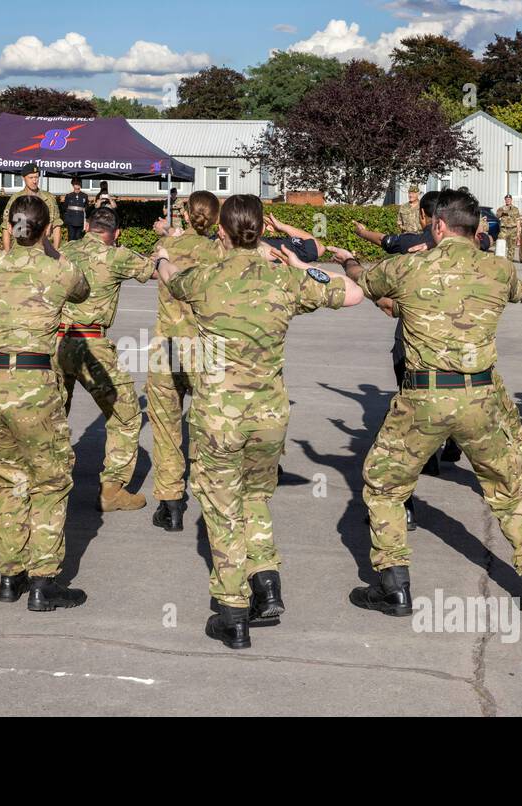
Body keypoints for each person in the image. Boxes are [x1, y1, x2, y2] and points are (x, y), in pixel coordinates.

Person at [338, 188, 522, 620]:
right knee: (509, 487)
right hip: (481, 395)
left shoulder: (409, 267)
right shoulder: (499, 270)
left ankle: (394, 585)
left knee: (384, 485)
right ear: (477, 228)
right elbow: (516, 290)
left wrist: (348, 258)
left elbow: (362, 282)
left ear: (438, 225)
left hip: (424, 396)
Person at [157, 194, 364, 650]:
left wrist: (164, 253)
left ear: (223, 233)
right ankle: (267, 585)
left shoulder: (206, 277)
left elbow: (170, 279)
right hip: (269, 415)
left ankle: (232, 610)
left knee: (221, 507)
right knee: (255, 497)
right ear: (258, 233)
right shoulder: (284, 278)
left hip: (219, 416)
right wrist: (296, 262)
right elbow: (353, 293)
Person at [0, 196, 91, 611]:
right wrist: (51, 248)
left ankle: (9, 573)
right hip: (31, 381)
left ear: (9, 226)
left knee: (9, 477)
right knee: (51, 479)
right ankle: (43, 580)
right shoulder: (59, 269)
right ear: (48, 228)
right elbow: (83, 288)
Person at [58, 206, 153, 512]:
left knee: (53, 414)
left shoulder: (65, 250)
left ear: (87, 226)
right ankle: (112, 490)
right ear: (116, 233)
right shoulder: (116, 255)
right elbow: (150, 269)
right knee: (126, 413)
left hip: (54, 341)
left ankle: (44, 484)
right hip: (90, 343)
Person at [146, 191, 221, 532]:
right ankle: (209, 498)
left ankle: (170, 503)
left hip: (168, 344)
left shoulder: (168, 250)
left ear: (187, 216)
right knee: (207, 425)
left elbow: (152, 269)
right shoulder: (220, 252)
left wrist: (170, 236)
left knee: (165, 424)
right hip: (204, 346)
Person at [1, 163, 61, 250]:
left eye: (36, 177)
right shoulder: (16, 199)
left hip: (44, 249)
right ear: (23, 178)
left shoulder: (49, 198)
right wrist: (7, 251)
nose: (34, 181)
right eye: (31, 177)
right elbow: (6, 226)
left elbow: (57, 225)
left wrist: (55, 251)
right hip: (21, 249)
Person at [495, 193, 522, 266]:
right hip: (504, 229)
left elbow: (518, 220)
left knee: (511, 246)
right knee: (501, 244)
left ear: (511, 200)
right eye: (506, 199)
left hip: (513, 229)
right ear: (505, 200)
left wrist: (518, 231)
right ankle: (500, 260)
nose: (508, 200)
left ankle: (509, 262)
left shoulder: (515, 209)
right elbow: (497, 216)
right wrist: (502, 212)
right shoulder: (501, 208)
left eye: (509, 199)